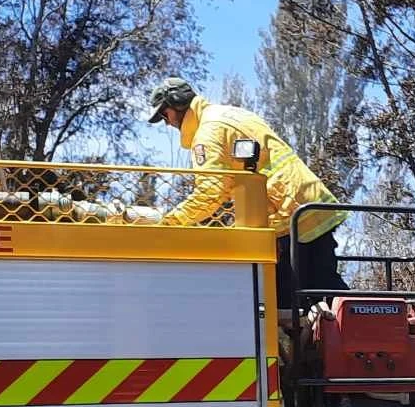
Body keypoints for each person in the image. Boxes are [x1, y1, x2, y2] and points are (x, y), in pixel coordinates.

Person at [147, 77, 347, 310]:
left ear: (177, 103)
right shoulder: (230, 114)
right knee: (325, 289)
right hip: (310, 206)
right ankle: (372, 328)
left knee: (279, 304)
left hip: (287, 217)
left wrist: (169, 223)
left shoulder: (208, 133)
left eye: (164, 114)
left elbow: (210, 192)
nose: (166, 123)